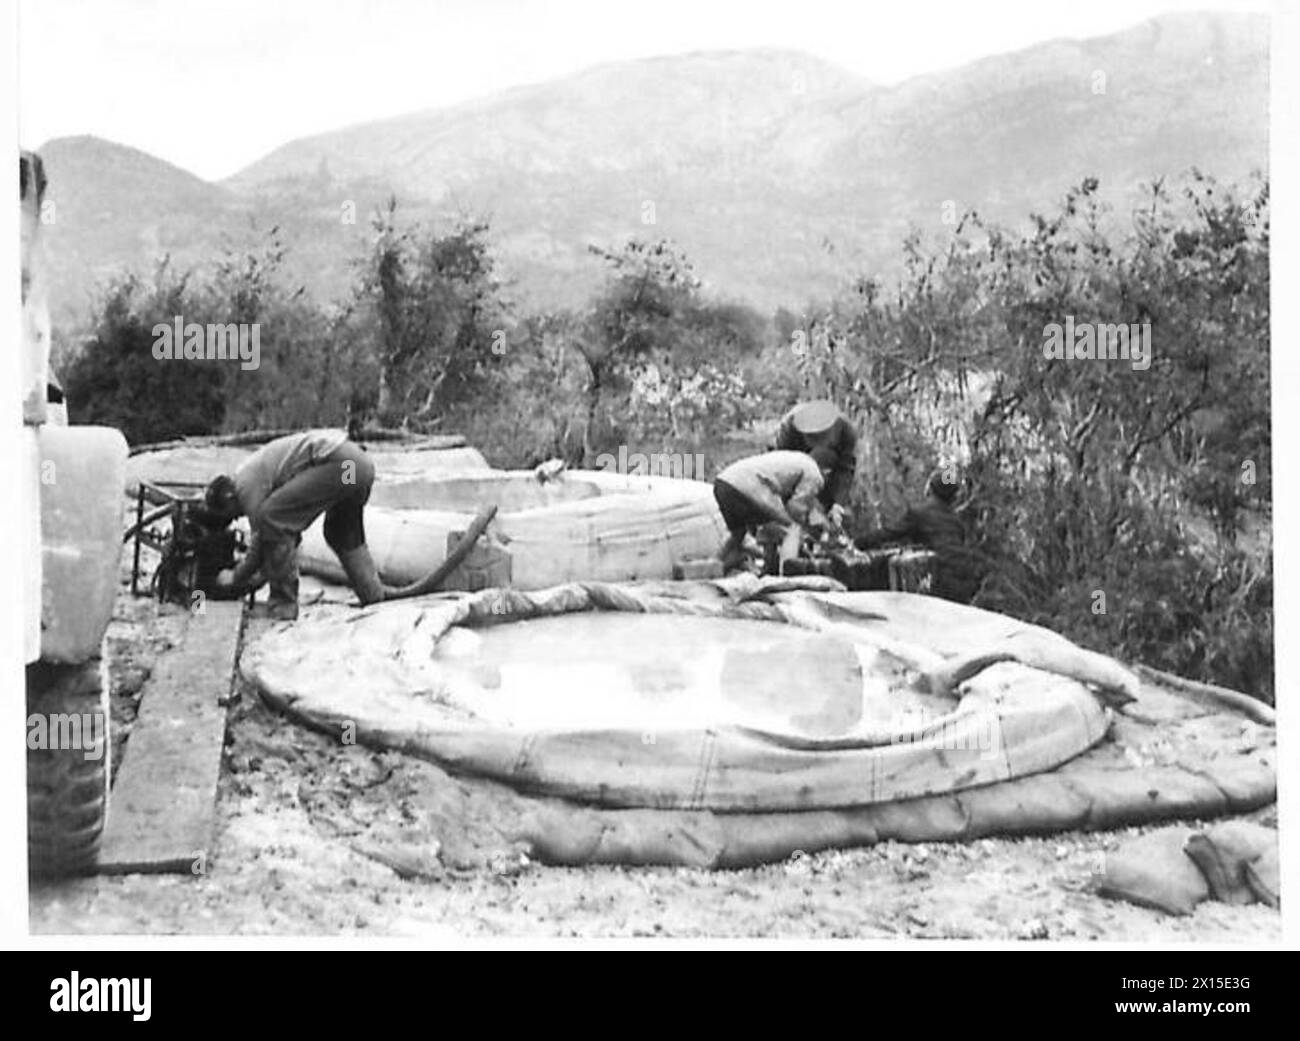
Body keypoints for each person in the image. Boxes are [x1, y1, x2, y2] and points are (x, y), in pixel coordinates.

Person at [203, 429, 389, 619]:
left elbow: (264, 535)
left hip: (345, 468)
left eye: (229, 514)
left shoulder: (244, 486)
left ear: (229, 498)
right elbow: (284, 538)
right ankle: (373, 596)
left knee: (273, 518)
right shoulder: (253, 471)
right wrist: (262, 571)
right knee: (340, 532)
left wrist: (235, 576)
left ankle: (283, 607)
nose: (235, 519)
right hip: (358, 467)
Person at [855, 466, 982, 602]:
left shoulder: (919, 513)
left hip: (936, 578)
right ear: (953, 497)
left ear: (930, 489)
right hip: (964, 578)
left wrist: (857, 544)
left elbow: (889, 533)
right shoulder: (957, 522)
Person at [713, 449, 832, 573]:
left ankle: (714, 566)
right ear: (827, 471)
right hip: (747, 487)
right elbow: (796, 508)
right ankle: (786, 574)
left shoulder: (797, 460)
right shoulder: (814, 472)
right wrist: (804, 530)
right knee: (791, 528)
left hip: (723, 483)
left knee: (738, 534)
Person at [773, 400, 858, 530]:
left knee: (838, 512)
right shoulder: (788, 429)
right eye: (812, 438)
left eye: (821, 438)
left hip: (830, 470)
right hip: (795, 468)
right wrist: (808, 504)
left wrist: (838, 504)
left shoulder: (846, 430)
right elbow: (781, 473)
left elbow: (846, 469)